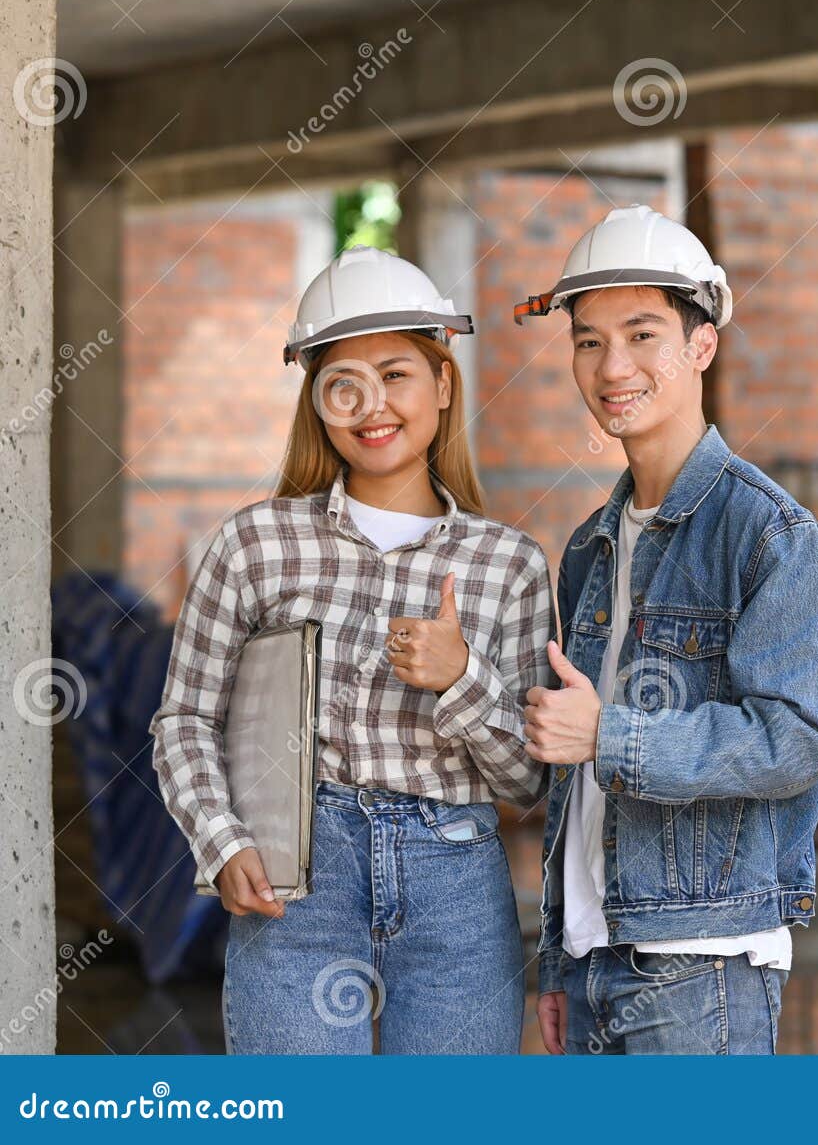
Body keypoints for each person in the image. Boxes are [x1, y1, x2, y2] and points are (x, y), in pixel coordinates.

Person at [150, 246, 554, 1054]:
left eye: (397, 373)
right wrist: (223, 840)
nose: (374, 403)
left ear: (443, 384)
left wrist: (461, 679)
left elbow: (529, 781)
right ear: (319, 401)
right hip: (296, 884)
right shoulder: (254, 545)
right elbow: (184, 720)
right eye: (345, 380)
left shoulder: (508, 564)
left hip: (458, 893)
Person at [514, 205, 818, 1054]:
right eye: (588, 340)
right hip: (596, 958)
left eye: (641, 334)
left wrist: (612, 734)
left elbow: (800, 735)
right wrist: (558, 958)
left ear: (701, 345)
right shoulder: (590, 545)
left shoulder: (768, 532)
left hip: (701, 968)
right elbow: (571, 783)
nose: (612, 366)